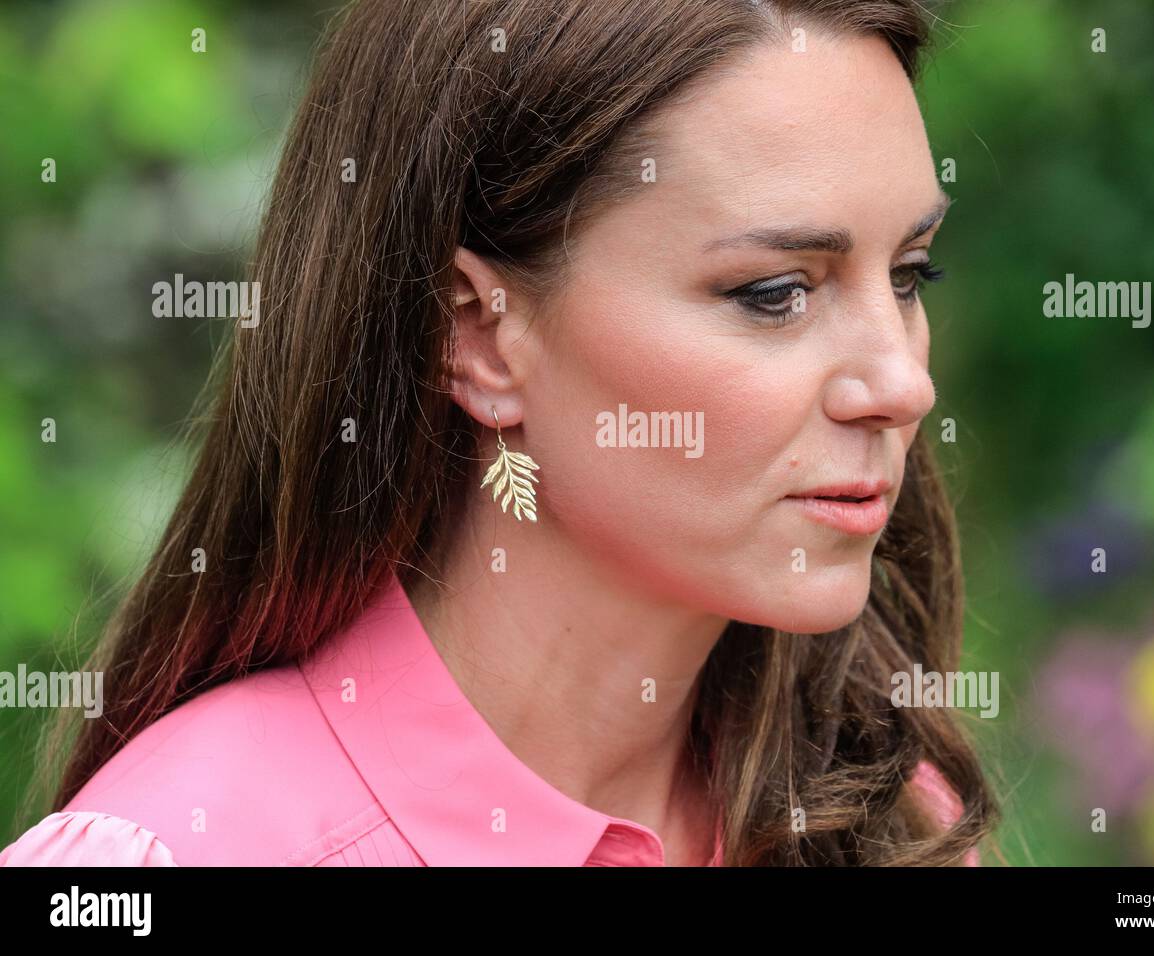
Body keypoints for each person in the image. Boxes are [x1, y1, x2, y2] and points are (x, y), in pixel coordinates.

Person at [4, 0, 994, 867]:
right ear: (477, 333)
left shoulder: (884, 816)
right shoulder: (178, 850)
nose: (902, 381)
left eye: (910, 274)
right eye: (774, 293)